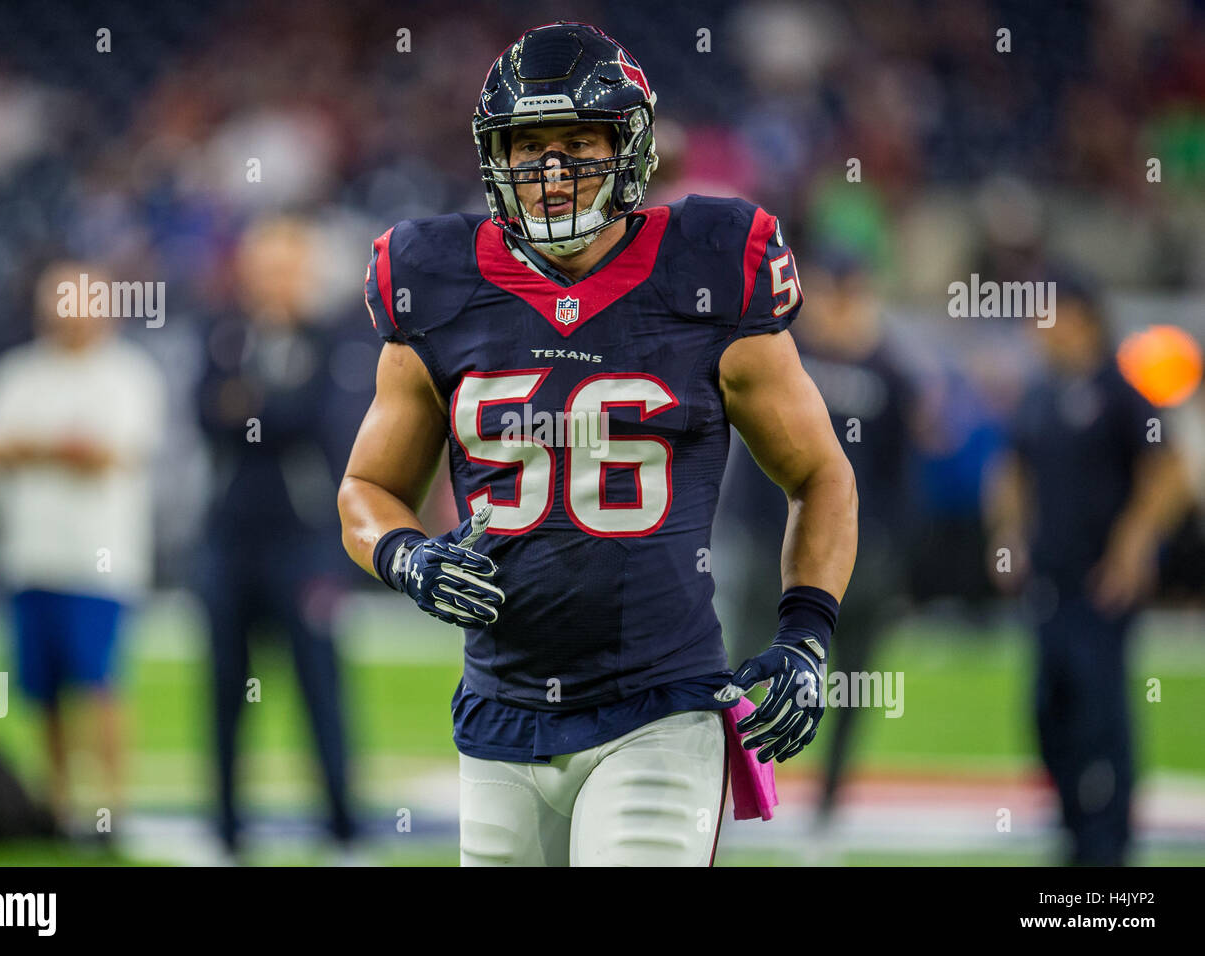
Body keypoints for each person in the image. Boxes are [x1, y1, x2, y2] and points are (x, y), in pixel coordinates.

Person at [339, 22, 857, 866]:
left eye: (578, 143)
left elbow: (819, 474)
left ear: (633, 147)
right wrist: (405, 557)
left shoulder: (709, 265)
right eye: (527, 145)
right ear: (492, 157)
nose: (551, 173)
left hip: (660, 706)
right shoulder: (434, 281)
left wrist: (805, 636)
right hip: (498, 710)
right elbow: (365, 489)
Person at [985, 275, 1193, 866]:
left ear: (1078, 317)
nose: (1034, 328)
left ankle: (1108, 849)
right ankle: (1077, 832)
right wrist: (1008, 536)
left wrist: (1133, 545)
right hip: (1048, 582)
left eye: (1045, 314)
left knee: (1102, 716)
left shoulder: (1120, 391)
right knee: (1048, 712)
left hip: (1101, 585)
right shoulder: (1040, 393)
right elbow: (1011, 468)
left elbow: (1170, 469)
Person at [722, 249, 918, 837]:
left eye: (849, 292)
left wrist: (891, 554)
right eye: (831, 292)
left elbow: (902, 475)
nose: (839, 306)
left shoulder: (892, 374)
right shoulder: (784, 356)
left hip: (863, 555)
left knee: (850, 683)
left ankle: (829, 806)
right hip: (772, 546)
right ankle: (735, 789)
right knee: (743, 669)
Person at [0, 260, 165, 834]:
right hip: (29, 556)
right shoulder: (18, 371)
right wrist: (60, 450)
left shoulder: (128, 373)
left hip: (98, 561)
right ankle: (57, 807)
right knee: (43, 692)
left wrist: (31, 449)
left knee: (99, 685)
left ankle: (111, 807)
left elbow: (106, 455)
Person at [196, 216, 360, 859]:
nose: (273, 281)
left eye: (285, 267)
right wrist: (264, 408)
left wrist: (249, 407)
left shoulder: (333, 338)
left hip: (305, 541)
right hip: (229, 539)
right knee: (224, 689)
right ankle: (227, 832)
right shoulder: (225, 336)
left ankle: (344, 829)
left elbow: (320, 419)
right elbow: (204, 413)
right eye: (263, 267)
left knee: (320, 684)